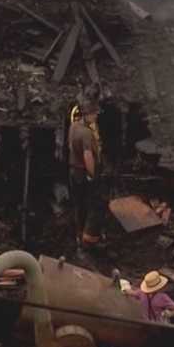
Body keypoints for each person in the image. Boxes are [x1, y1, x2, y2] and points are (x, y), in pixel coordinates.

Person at [68, 90, 105, 250]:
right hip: (84, 173)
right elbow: (88, 156)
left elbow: (71, 147)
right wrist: (92, 175)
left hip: (74, 171)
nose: (96, 116)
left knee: (79, 204)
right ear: (88, 114)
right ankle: (90, 240)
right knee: (95, 204)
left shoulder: (74, 127)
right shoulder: (86, 134)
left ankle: (79, 234)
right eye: (95, 114)